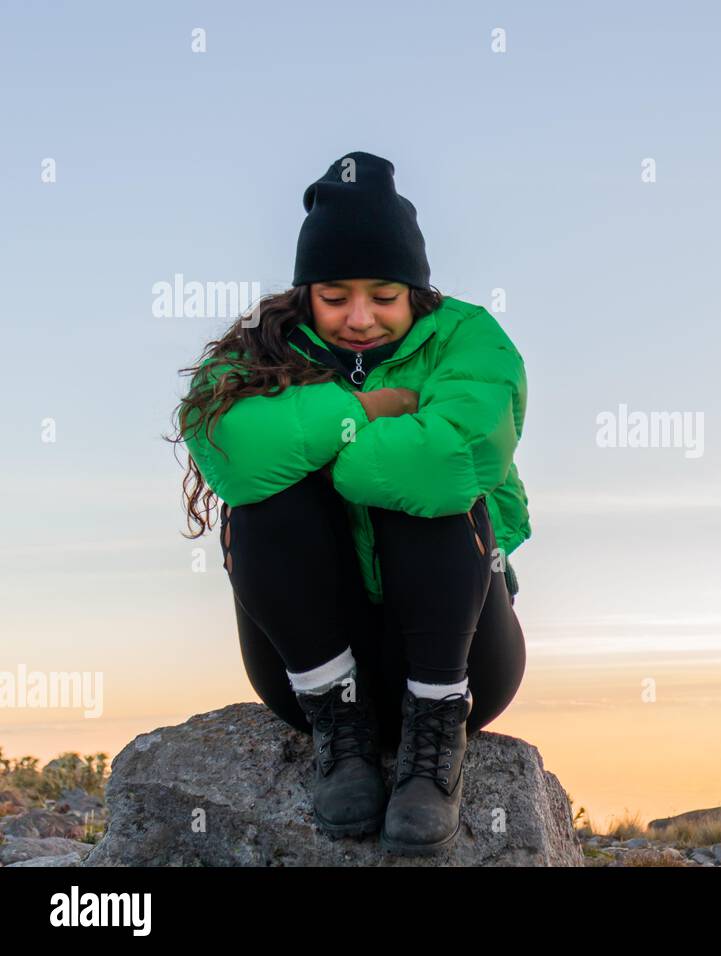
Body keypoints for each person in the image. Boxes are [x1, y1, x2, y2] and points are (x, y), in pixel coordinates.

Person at [169, 151, 531, 856]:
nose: (358, 319)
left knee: (421, 485)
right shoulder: (257, 348)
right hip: (308, 669)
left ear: (416, 291)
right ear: (306, 293)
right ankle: (342, 727)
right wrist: (368, 408)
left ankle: (434, 731)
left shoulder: (469, 338)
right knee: (264, 499)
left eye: (383, 296)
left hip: (464, 659)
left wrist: (321, 445)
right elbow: (231, 454)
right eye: (334, 298)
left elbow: (457, 451)